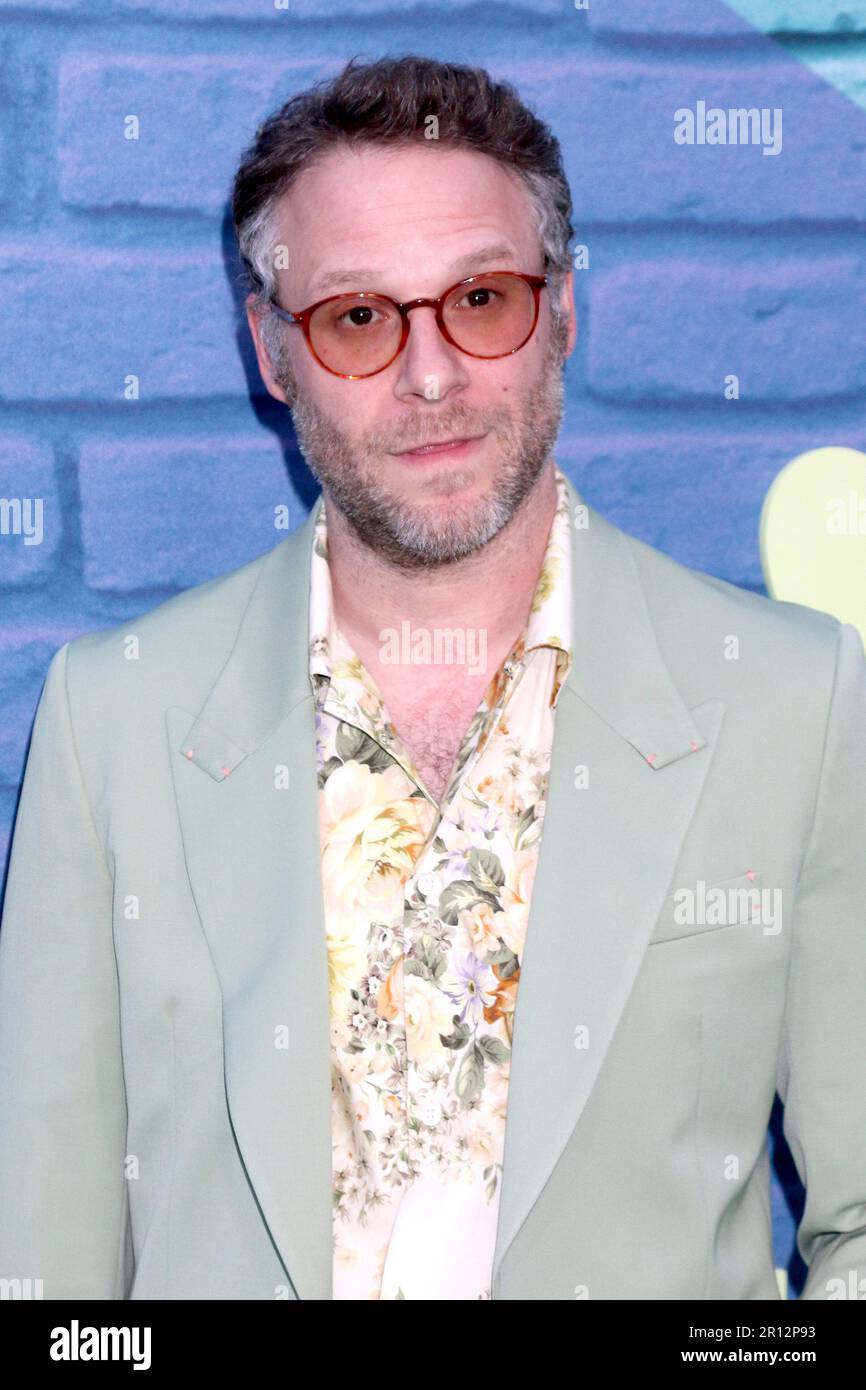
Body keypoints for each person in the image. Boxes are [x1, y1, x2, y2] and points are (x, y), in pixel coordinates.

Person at [1, 54, 864, 1302]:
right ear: (270, 350)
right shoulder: (111, 719)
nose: (429, 376)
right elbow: (43, 1283)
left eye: (480, 299)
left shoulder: (797, 701)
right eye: (358, 316)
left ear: (562, 308)